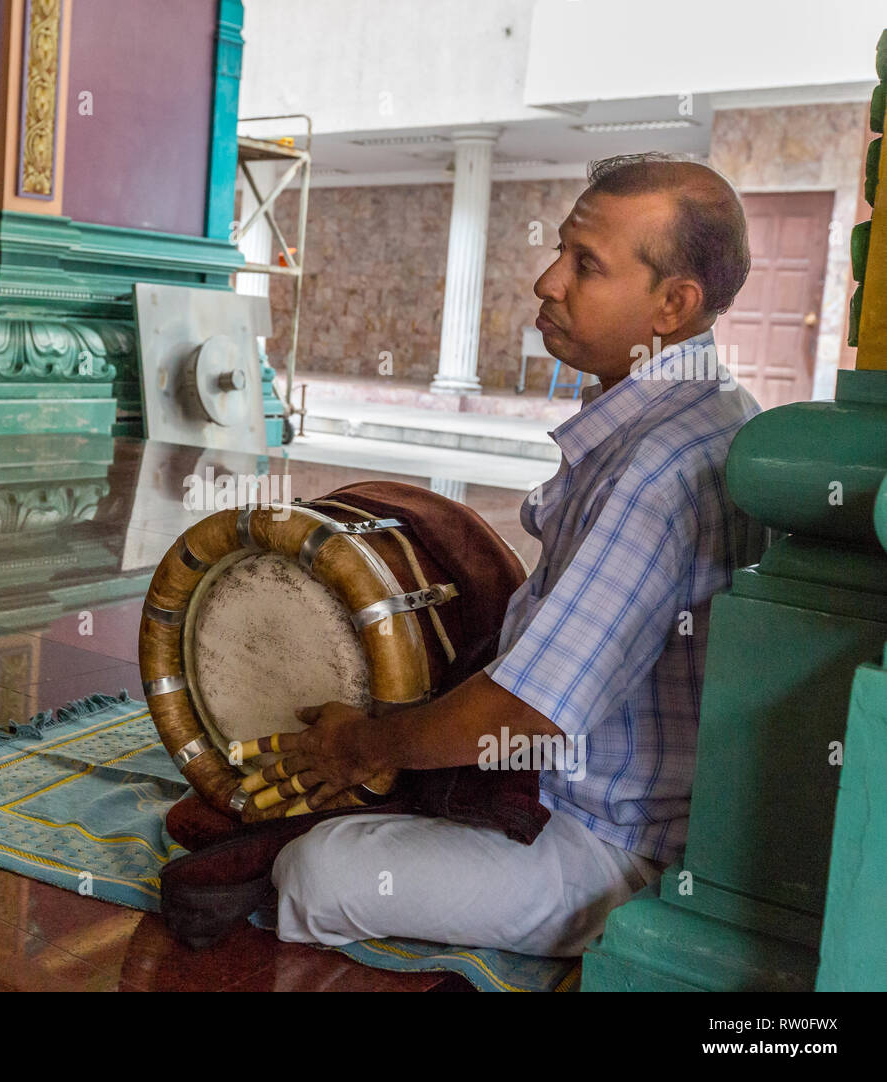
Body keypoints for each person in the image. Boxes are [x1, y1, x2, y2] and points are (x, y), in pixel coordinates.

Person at [256, 152, 770, 957]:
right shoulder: (712, 405)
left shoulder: (659, 467)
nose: (547, 282)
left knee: (317, 872)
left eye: (585, 265)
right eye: (561, 251)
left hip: (610, 847)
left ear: (674, 303)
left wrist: (365, 745)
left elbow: (530, 713)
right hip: (617, 797)